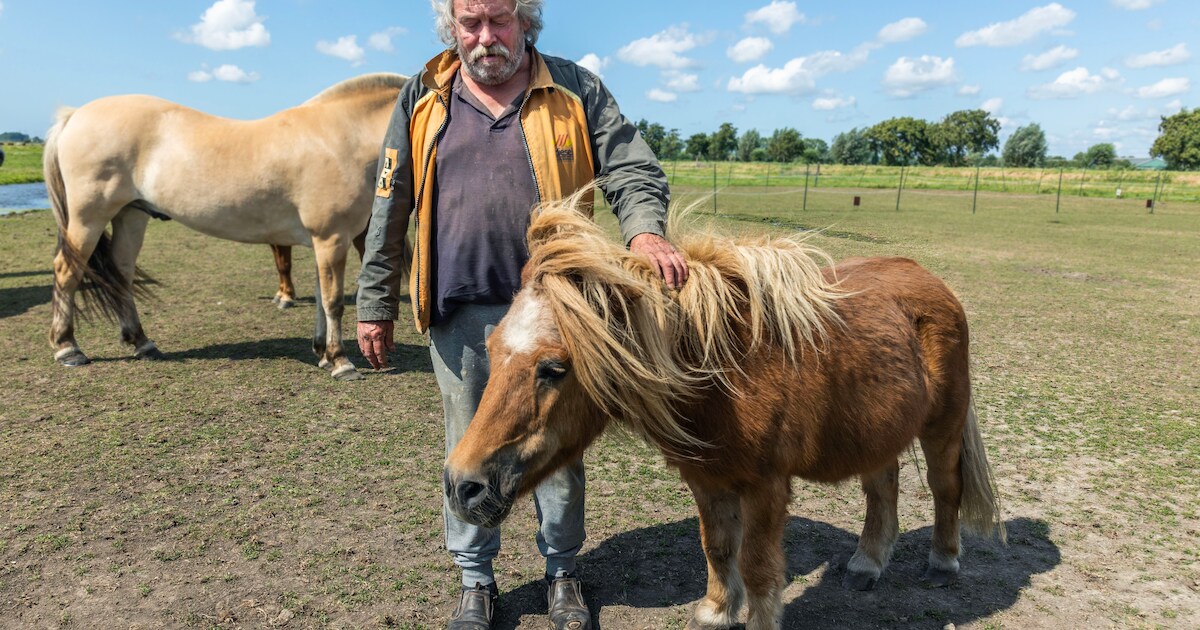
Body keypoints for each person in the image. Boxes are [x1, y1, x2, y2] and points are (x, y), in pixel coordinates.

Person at [354, 1, 688, 628]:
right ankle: (475, 581)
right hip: (457, 309)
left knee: (555, 443)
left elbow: (632, 167)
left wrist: (643, 232)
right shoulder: (422, 97)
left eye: (499, 20)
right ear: (452, 27)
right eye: (470, 23)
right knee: (468, 443)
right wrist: (375, 303)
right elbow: (389, 200)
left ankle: (562, 571)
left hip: (556, 314)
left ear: (526, 21)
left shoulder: (575, 88)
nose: (485, 38)